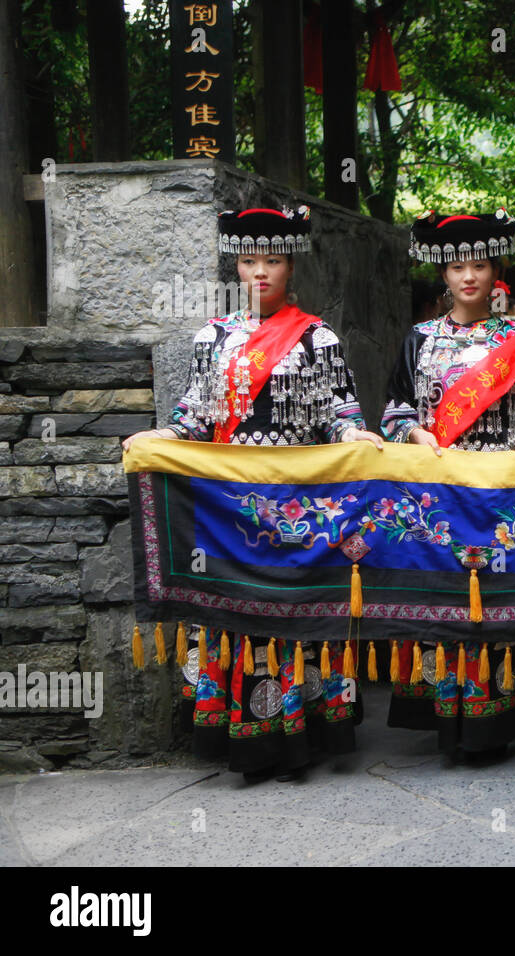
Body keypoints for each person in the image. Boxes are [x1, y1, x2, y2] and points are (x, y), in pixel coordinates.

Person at [123, 206, 384, 781]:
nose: (260, 272)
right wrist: (162, 435)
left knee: (297, 610)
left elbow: (338, 412)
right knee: (234, 614)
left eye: (272, 260)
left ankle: (303, 729)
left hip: (297, 501)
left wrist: (354, 433)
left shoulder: (318, 337)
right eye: (248, 260)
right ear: (235, 267)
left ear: (291, 266)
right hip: (228, 502)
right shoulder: (212, 338)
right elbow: (194, 414)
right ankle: (243, 737)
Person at [382, 208, 515, 760]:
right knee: (446, 602)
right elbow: (394, 410)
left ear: (493, 272)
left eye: (480, 265)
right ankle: (446, 716)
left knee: (501, 597)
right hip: (439, 487)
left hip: (501, 490)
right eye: (457, 266)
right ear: (442, 273)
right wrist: (415, 433)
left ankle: (501, 715)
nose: (469, 277)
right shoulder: (418, 339)